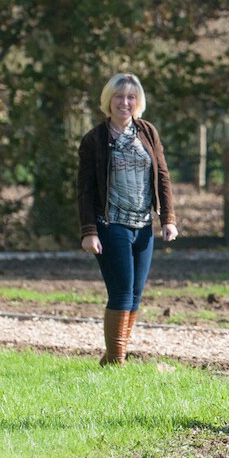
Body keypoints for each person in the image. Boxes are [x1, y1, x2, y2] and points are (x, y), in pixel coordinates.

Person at [77, 72, 178, 365]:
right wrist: (89, 231)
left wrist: (168, 219)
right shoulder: (94, 140)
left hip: (142, 226)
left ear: (138, 101)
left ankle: (111, 359)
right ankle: (118, 362)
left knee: (135, 295)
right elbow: (85, 189)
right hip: (111, 225)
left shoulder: (147, 132)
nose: (125, 102)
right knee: (121, 293)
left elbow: (162, 176)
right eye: (119, 97)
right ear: (109, 100)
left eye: (131, 97)